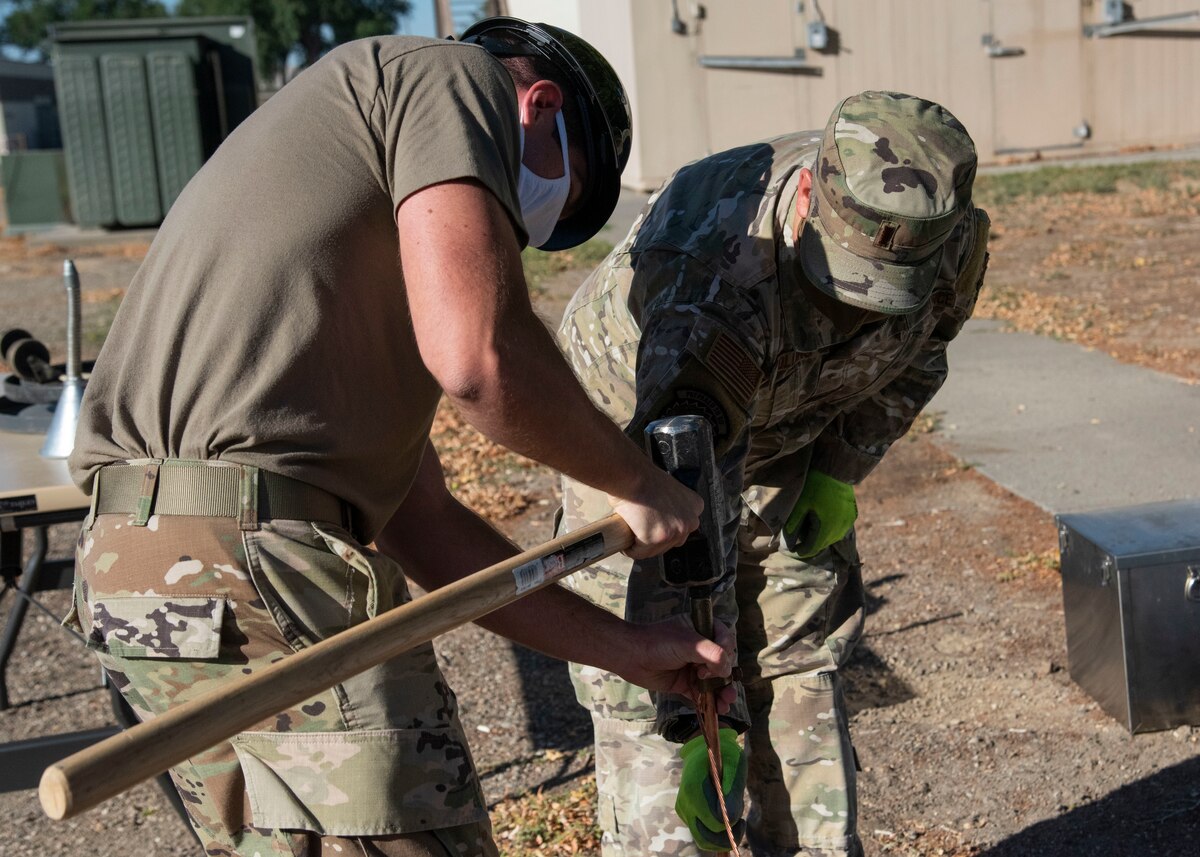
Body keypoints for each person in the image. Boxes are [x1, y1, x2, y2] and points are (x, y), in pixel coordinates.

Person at [65, 17, 734, 857]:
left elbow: (428, 528)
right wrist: (638, 482)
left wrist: (630, 650)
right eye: (536, 215)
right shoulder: (449, 76)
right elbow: (481, 360)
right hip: (246, 557)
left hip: (133, 572)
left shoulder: (328, 304)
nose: (514, 239)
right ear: (539, 106)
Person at [557, 90, 991, 857]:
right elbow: (679, 508)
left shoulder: (948, 244)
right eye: (846, 281)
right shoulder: (713, 273)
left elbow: (918, 355)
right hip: (632, 445)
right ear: (805, 201)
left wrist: (839, 469)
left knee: (799, 660)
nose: (862, 313)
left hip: (787, 431)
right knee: (651, 693)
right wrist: (695, 713)